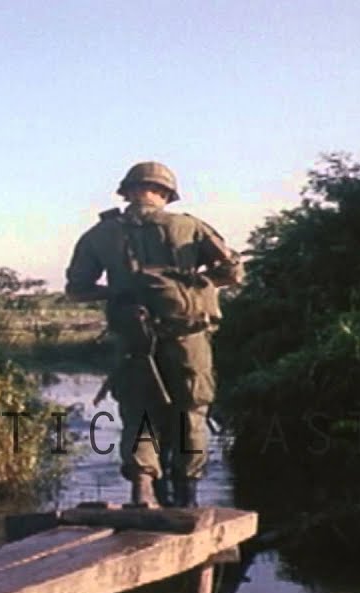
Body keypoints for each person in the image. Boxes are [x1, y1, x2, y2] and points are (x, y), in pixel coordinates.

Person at [64, 161, 244, 508]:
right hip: (187, 338)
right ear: (164, 193)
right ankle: (187, 497)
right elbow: (233, 273)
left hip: (134, 339)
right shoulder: (190, 226)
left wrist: (119, 291)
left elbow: (77, 289)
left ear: (128, 192)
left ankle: (143, 489)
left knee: (139, 411)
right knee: (191, 412)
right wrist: (197, 284)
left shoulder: (99, 234)